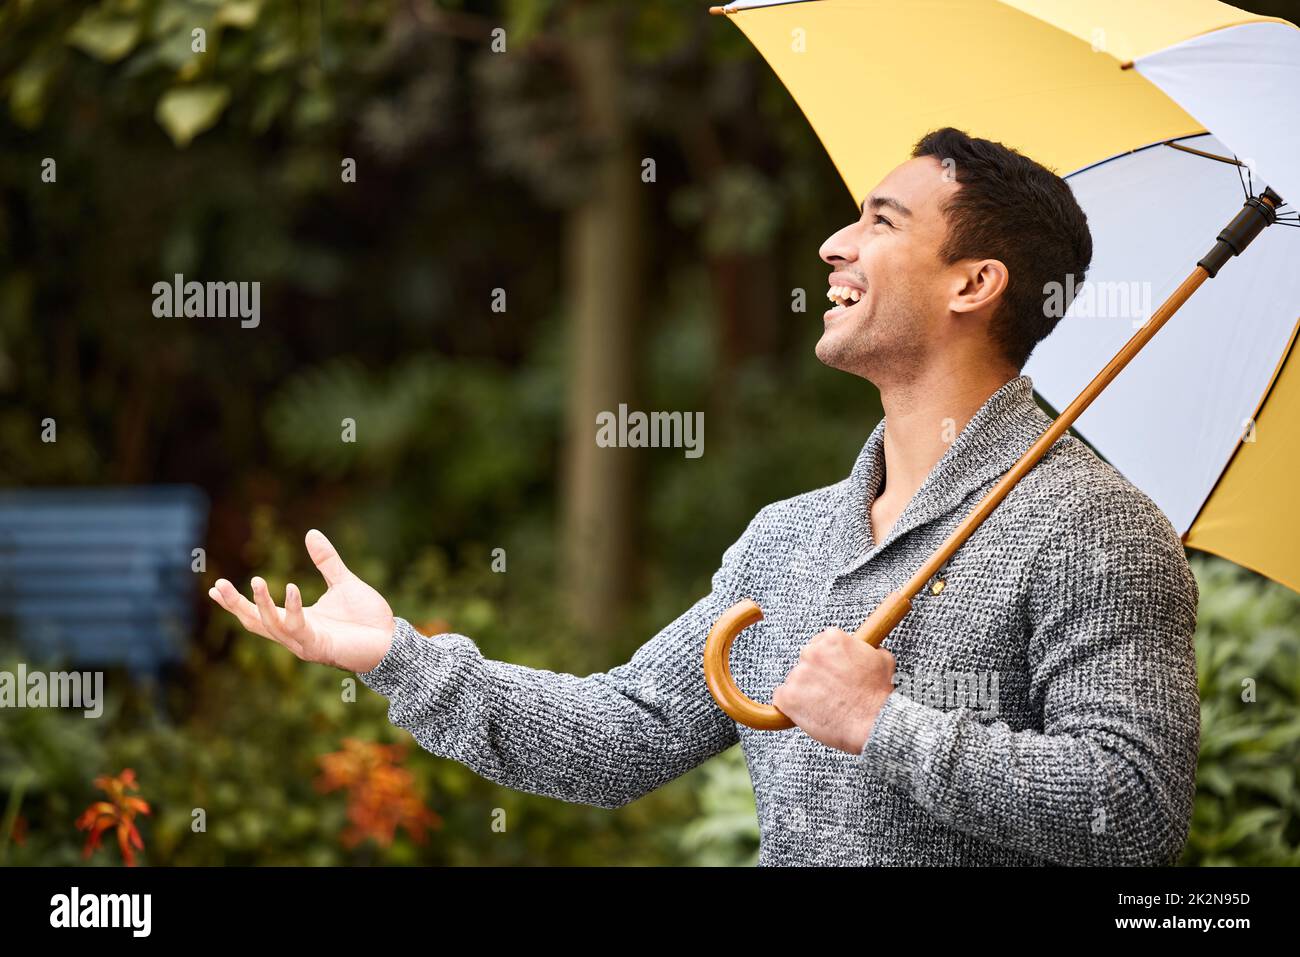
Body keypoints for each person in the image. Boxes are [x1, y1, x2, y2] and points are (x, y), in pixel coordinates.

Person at [209, 127, 1200, 866]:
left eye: (879, 222)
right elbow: (619, 736)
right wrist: (403, 661)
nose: (831, 244)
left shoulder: (1092, 529)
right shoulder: (789, 541)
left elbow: (1133, 810)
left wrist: (881, 727)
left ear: (974, 283)